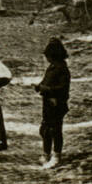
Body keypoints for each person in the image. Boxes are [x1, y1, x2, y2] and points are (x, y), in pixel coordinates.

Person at [34, 36, 71, 168]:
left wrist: (47, 89)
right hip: (48, 104)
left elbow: (63, 88)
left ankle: (56, 155)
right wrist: (40, 86)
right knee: (45, 129)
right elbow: (46, 81)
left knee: (55, 130)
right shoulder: (52, 67)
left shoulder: (62, 69)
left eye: (48, 56)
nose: (46, 58)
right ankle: (46, 153)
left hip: (57, 104)